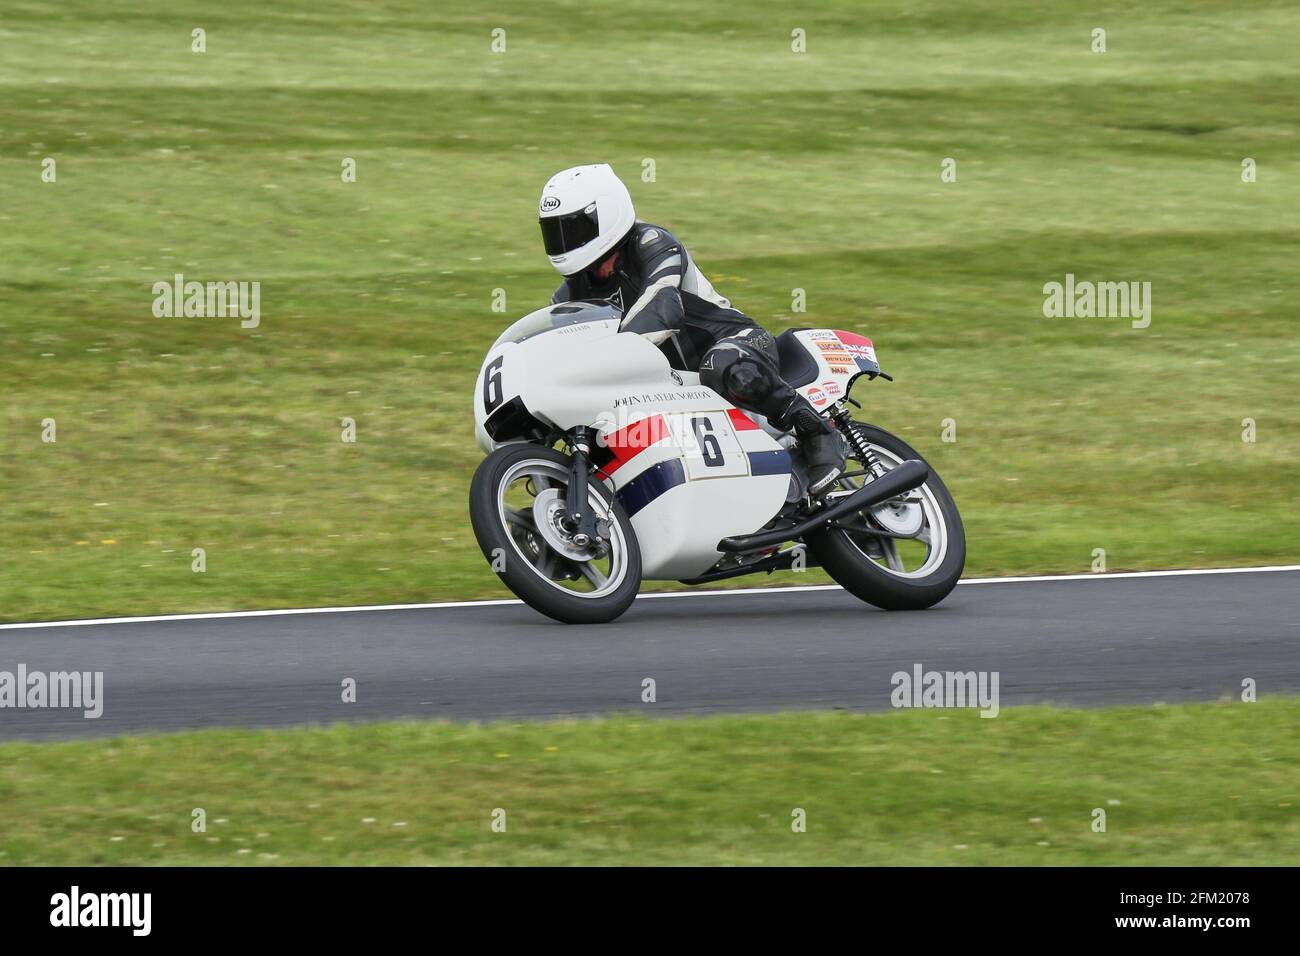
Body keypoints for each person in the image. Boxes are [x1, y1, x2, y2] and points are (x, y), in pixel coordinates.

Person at [538, 164, 845, 493]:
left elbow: (663, 307)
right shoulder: (569, 295)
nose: (564, 242)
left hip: (737, 345)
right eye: (555, 232)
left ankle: (817, 432)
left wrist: (607, 358)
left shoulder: (652, 243)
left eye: (571, 229)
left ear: (606, 213)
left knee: (719, 364)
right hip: (672, 388)